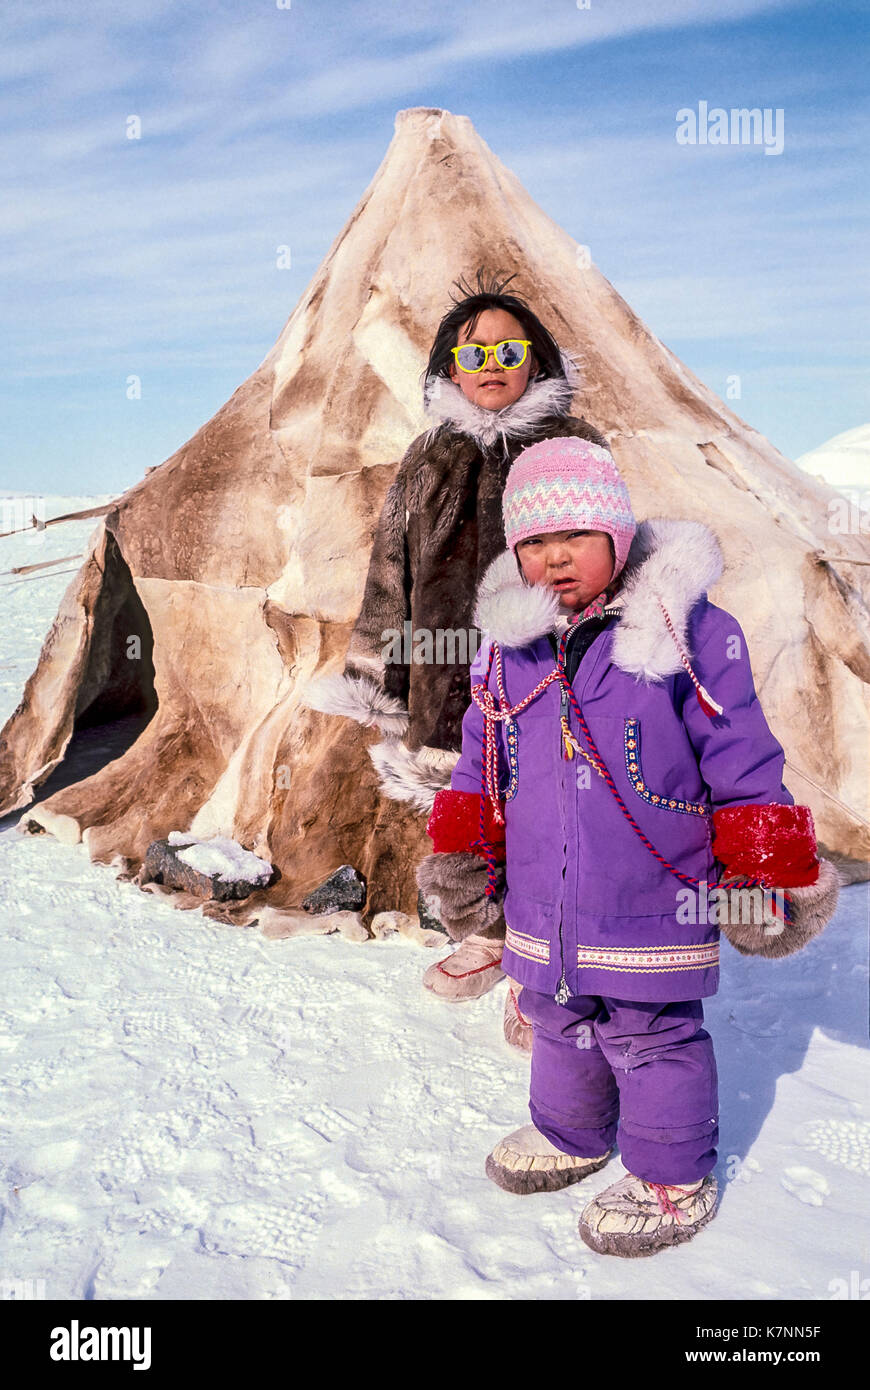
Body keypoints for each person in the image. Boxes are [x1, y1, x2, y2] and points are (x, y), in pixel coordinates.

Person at [416, 434, 841, 1257]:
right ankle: (572, 1132)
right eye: (534, 542)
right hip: (544, 894)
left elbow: (743, 758)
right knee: (554, 1012)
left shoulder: (689, 633)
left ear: (616, 533)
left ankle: (674, 1175)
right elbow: (481, 759)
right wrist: (468, 852)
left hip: (655, 891)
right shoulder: (508, 649)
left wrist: (763, 868)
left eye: (574, 537)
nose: (555, 559)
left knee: (651, 1033)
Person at [305, 270, 607, 1033]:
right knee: (467, 814)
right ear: (450, 370)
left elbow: (613, 556)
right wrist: (379, 675)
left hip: (550, 669)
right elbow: (389, 572)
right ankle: (490, 936)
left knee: (551, 817)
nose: (494, 363)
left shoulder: (574, 444)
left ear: (537, 359)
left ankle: (544, 969)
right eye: (475, 355)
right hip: (445, 673)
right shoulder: (428, 455)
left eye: (511, 348)